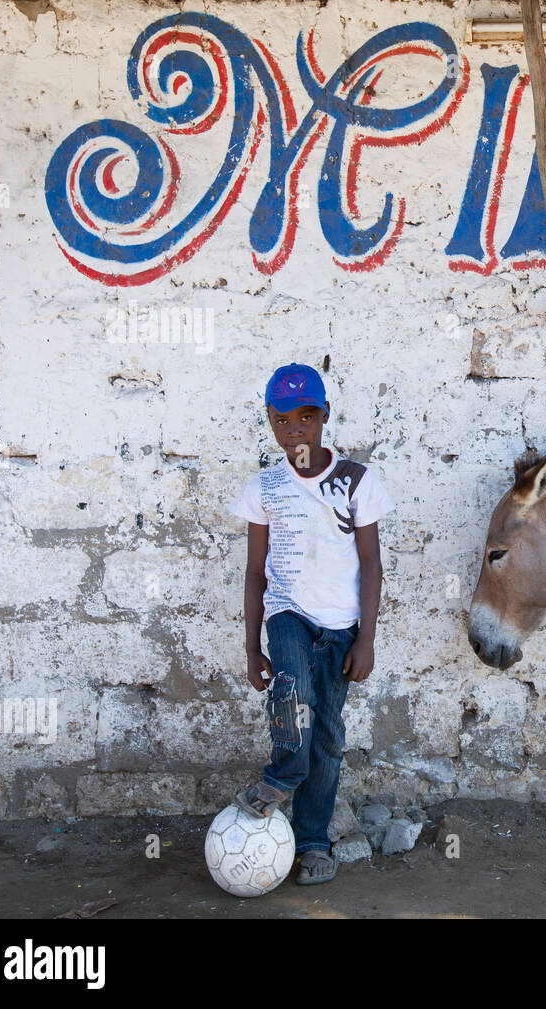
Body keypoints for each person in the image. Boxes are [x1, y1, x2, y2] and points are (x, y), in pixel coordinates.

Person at [227, 363, 393, 884]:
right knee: (291, 693)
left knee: (326, 736)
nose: (294, 429)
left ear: (325, 415)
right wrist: (253, 647)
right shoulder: (265, 488)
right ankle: (281, 777)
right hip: (288, 614)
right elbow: (255, 571)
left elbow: (371, 564)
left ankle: (314, 843)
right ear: (271, 423)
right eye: (282, 420)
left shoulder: (355, 482)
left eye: (305, 417)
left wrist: (366, 637)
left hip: (341, 626)